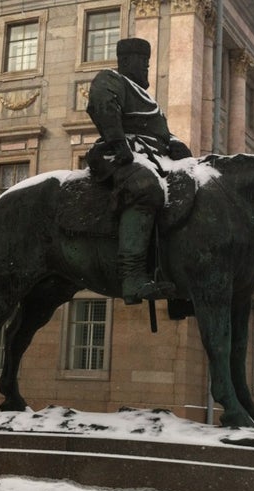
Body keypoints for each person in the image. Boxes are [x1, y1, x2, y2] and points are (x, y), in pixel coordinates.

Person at [86, 37, 192, 305]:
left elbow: (163, 133)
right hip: (118, 155)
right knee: (144, 188)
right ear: (127, 61)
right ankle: (132, 275)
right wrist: (118, 141)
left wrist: (178, 145)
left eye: (148, 63)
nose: (146, 67)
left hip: (153, 157)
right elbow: (104, 106)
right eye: (142, 62)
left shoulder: (146, 97)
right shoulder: (110, 79)